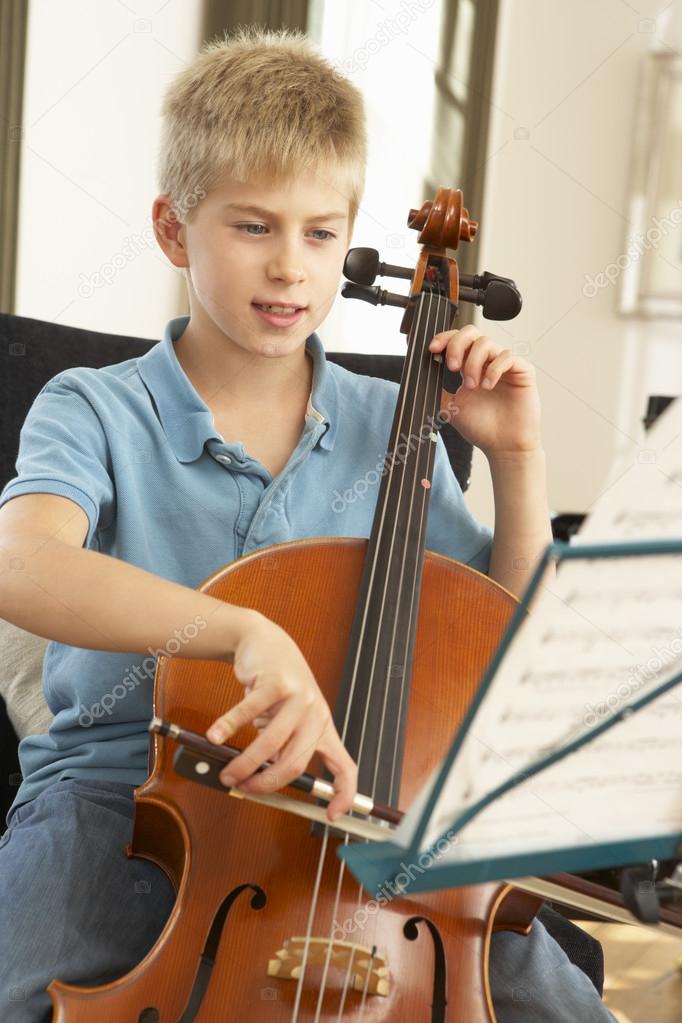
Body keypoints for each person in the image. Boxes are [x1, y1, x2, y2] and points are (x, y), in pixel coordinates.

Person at [0, 25, 616, 1023]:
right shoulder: (95, 408)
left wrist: (517, 460)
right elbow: (24, 564)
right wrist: (244, 633)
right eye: (253, 227)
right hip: (120, 796)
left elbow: (503, 651)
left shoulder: (397, 427)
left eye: (320, 234)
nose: (290, 267)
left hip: (360, 812)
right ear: (172, 230)